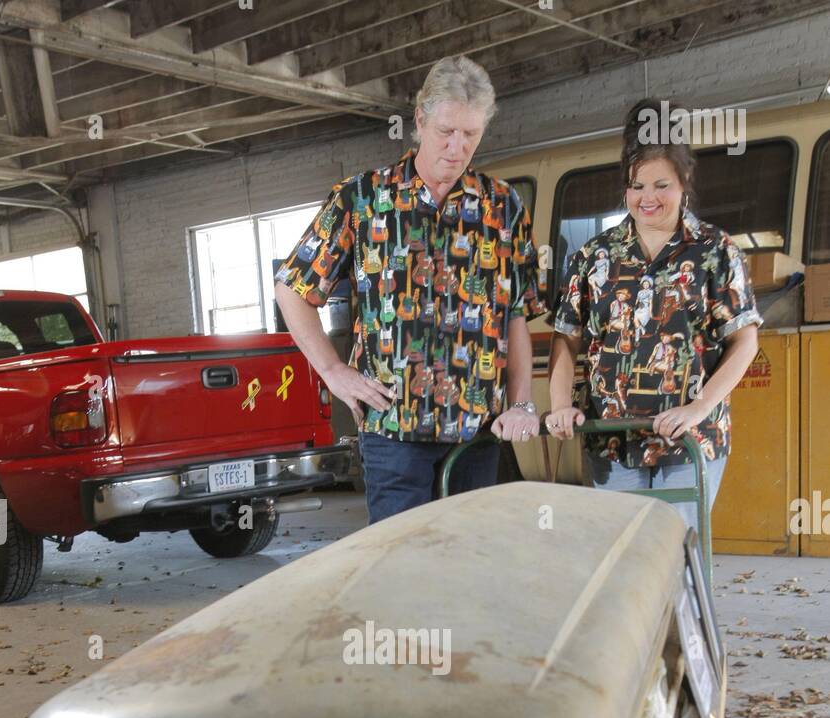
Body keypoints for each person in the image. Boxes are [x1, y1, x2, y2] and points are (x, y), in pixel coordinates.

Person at [274, 55, 547, 523]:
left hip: (477, 432)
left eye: (471, 134)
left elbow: (516, 313)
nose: (457, 147)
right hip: (393, 431)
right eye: (446, 132)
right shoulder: (362, 198)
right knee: (402, 574)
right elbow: (292, 287)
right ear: (419, 121)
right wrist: (333, 371)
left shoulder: (502, 205)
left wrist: (521, 402)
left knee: (467, 564)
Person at [547, 97, 761, 534]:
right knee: (622, 560)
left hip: (688, 442)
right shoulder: (594, 256)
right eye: (637, 186)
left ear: (684, 181)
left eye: (661, 185)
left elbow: (745, 341)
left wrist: (700, 407)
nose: (648, 199)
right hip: (612, 440)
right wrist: (559, 405)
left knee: (677, 559)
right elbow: (566, 339)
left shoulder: (716, 251)